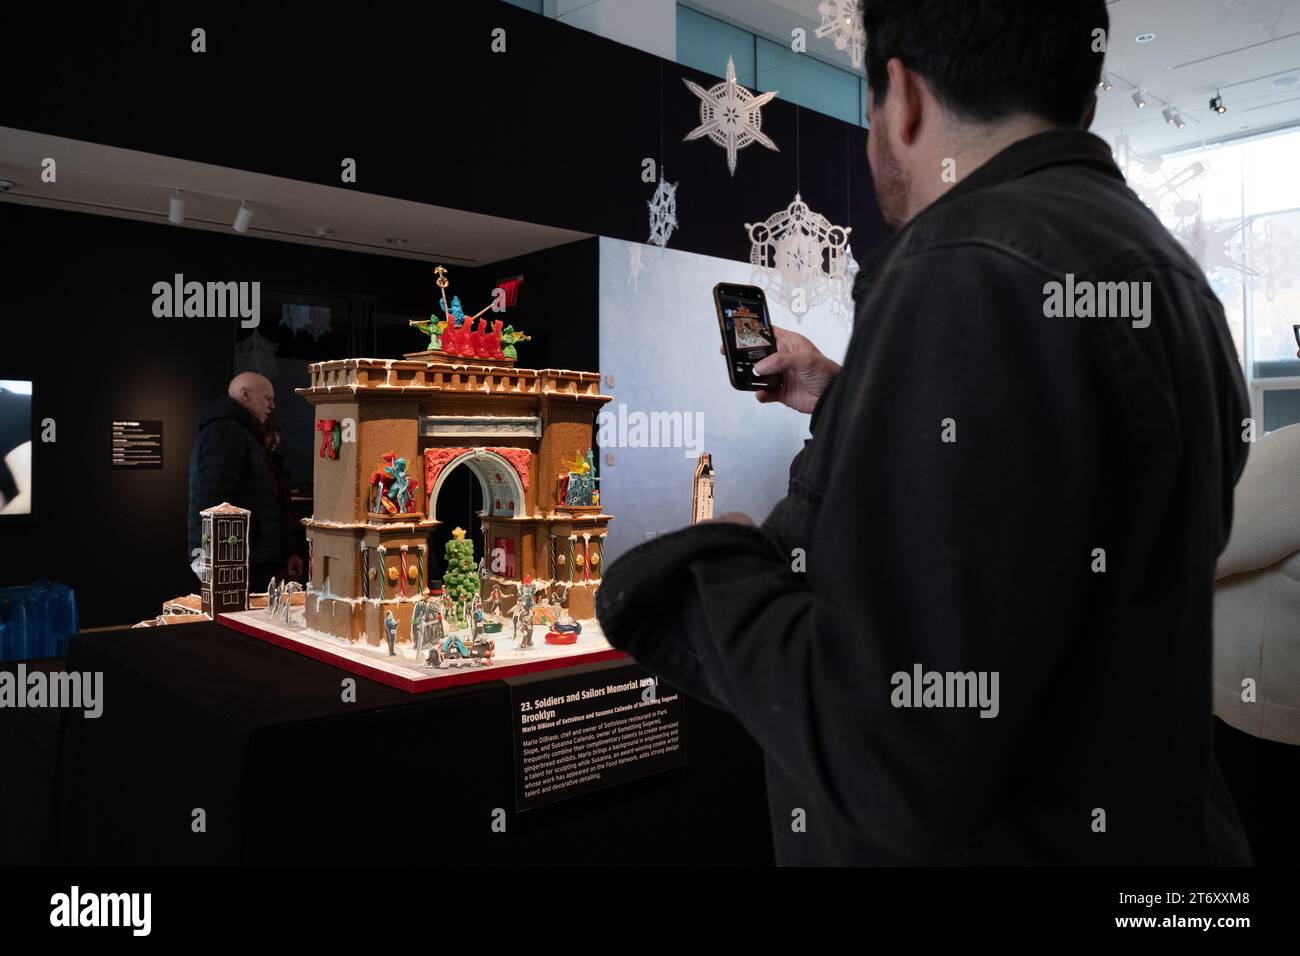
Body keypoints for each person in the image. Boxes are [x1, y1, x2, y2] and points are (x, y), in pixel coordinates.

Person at [596, 0, 1252, 866]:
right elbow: (1034, 503)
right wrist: (841, 396)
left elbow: (893, 748)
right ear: (1083, 100)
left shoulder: (964, 265)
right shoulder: (1172, 281)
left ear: (900, 98)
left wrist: (714, 567)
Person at [187, 372, 303, 591]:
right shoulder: (227, 431)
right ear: (245, 394)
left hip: (247, 556)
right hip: (240, 559)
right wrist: (213, 560)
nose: (272, 406)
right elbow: (214, 502)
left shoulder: (238, 432)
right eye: (267, 398)